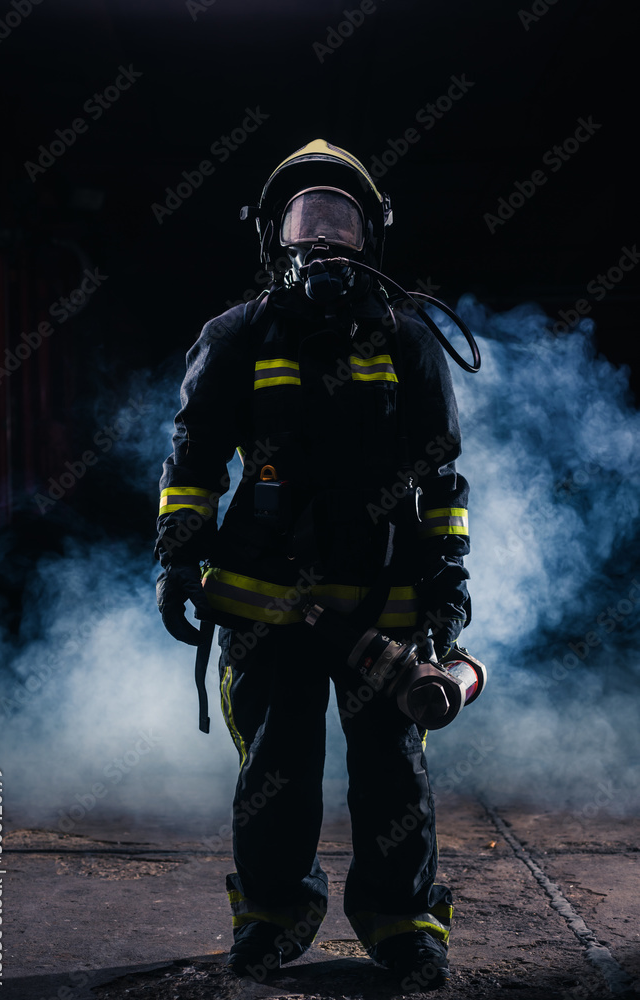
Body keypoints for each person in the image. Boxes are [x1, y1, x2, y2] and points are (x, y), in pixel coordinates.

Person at [155, 139, 471, 993]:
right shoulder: (234, 337)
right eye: (305, 220)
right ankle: (268, 922)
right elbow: (191, 458)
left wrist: (448, 571)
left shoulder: (408, 341)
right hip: (268, 609)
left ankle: (404, 928)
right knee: (277, 771)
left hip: (386, 609)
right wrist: (178, 556)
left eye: (341, 221)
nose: (323, 239)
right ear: (273, 239)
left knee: (391, 773)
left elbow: (442, 475)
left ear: (372, 239)